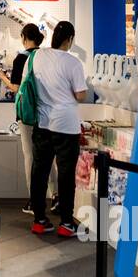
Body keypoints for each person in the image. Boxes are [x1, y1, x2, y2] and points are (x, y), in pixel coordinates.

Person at [28, 20, 89, 236]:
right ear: (70, 39)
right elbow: (81, 94)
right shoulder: (73, 63)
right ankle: (66, 222)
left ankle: (39, 219)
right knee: (65, 174)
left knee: (40, 171)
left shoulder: (37, 56)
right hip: (66, 124)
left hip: (42, 123)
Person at [0, 23, 44, 214]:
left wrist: (2, 78)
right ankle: (56, 195)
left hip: (26, 113)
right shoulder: (44, 56)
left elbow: (16, 88)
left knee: (29, 155)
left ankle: (34, 200)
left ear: (24, 37)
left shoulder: (21, 58)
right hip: (45, 113)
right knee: (47, 155)